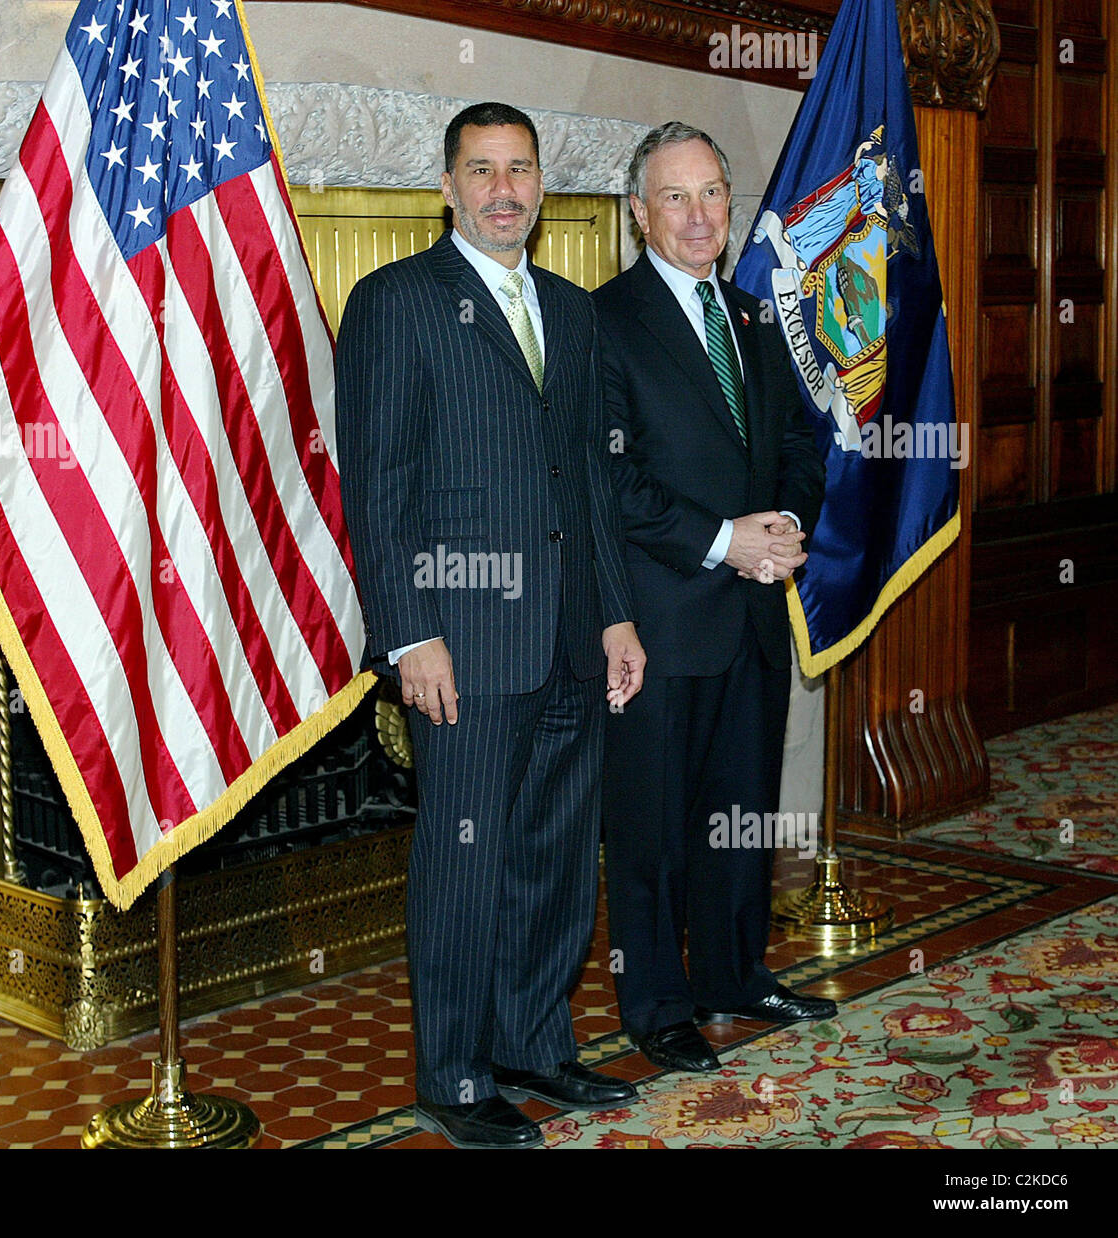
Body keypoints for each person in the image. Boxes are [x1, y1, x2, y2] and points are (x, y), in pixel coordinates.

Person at [335, 102, 647, 1150]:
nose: (502, 189)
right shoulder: (395, 302)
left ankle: (533, 1043)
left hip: (567, 636)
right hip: (460, 645)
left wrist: (614, 615)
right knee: (465, 858)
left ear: (542, 185)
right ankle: (457, 1075)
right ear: (447, 187)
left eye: (519, 169)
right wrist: (405, 631)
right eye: (481, 170)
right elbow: (376, 485)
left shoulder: (573, 308)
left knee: (556, 852)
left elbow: (593, 486)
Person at [594, 123, 836, 1076]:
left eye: (713, 195)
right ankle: (656, 1005)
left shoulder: (756, 316)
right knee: (653, 827)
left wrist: (780, 524)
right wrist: (724, 541)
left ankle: (735, 975)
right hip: (658, 623)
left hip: (750, 618)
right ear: (639, 213)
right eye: (677, 198)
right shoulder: (604, 320)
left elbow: (802, 450)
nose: (700, 217)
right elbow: (612, 482)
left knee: (742, 808)